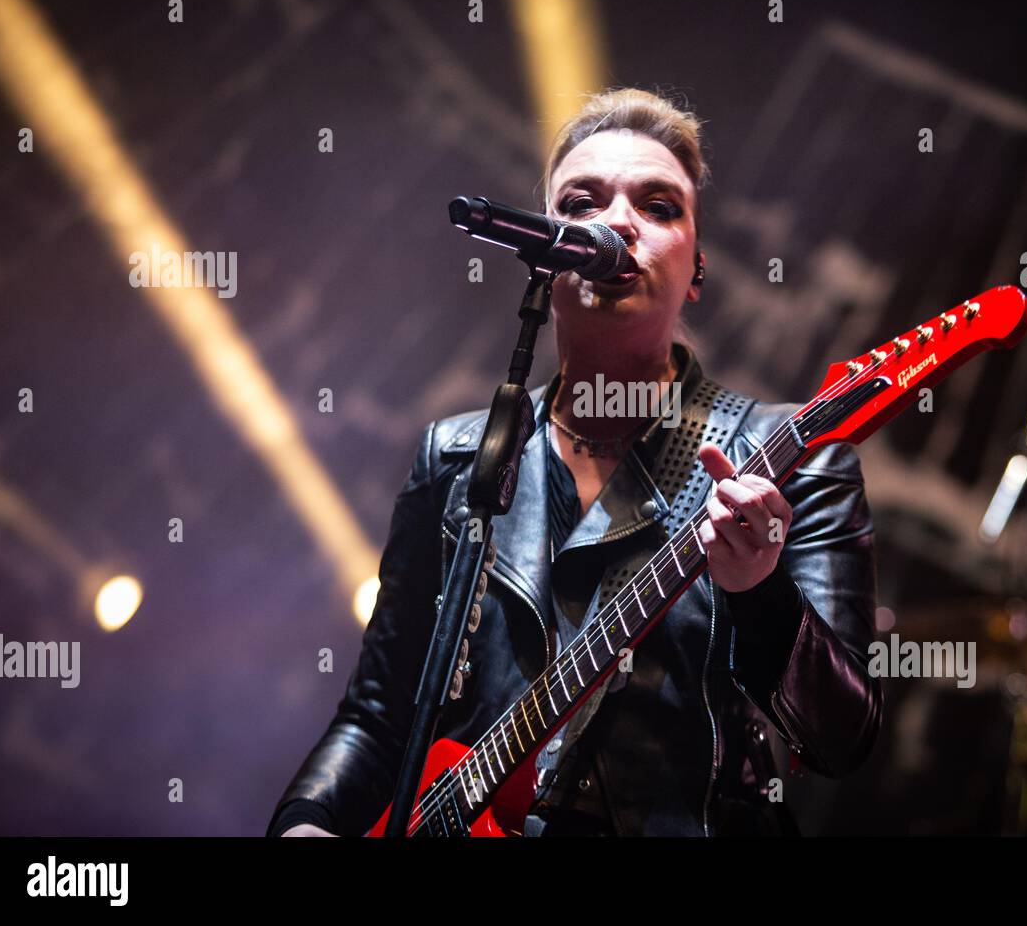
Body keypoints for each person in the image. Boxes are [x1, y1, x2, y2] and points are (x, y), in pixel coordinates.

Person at [267, 87, 882, 837]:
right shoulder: (456, 457)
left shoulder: (793, 456)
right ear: (543, 253)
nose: (617, 223)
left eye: (659, 207)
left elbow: (843, 739)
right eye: (582, 203)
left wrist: (758, 592)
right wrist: (306, 823)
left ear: (697, 272)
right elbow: (380, 713)